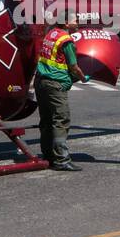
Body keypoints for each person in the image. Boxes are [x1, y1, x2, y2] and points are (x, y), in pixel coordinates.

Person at [34, 13, 88, 170]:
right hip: (54, 84)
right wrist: (83, 78)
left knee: (46, 120)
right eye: (75, 20)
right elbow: (73, 66)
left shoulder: (51, 33)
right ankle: (62, 160)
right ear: (66, 23)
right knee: (61, 119)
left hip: (40, 82)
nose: (77, 23)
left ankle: (48, 156)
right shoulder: (66, 40)